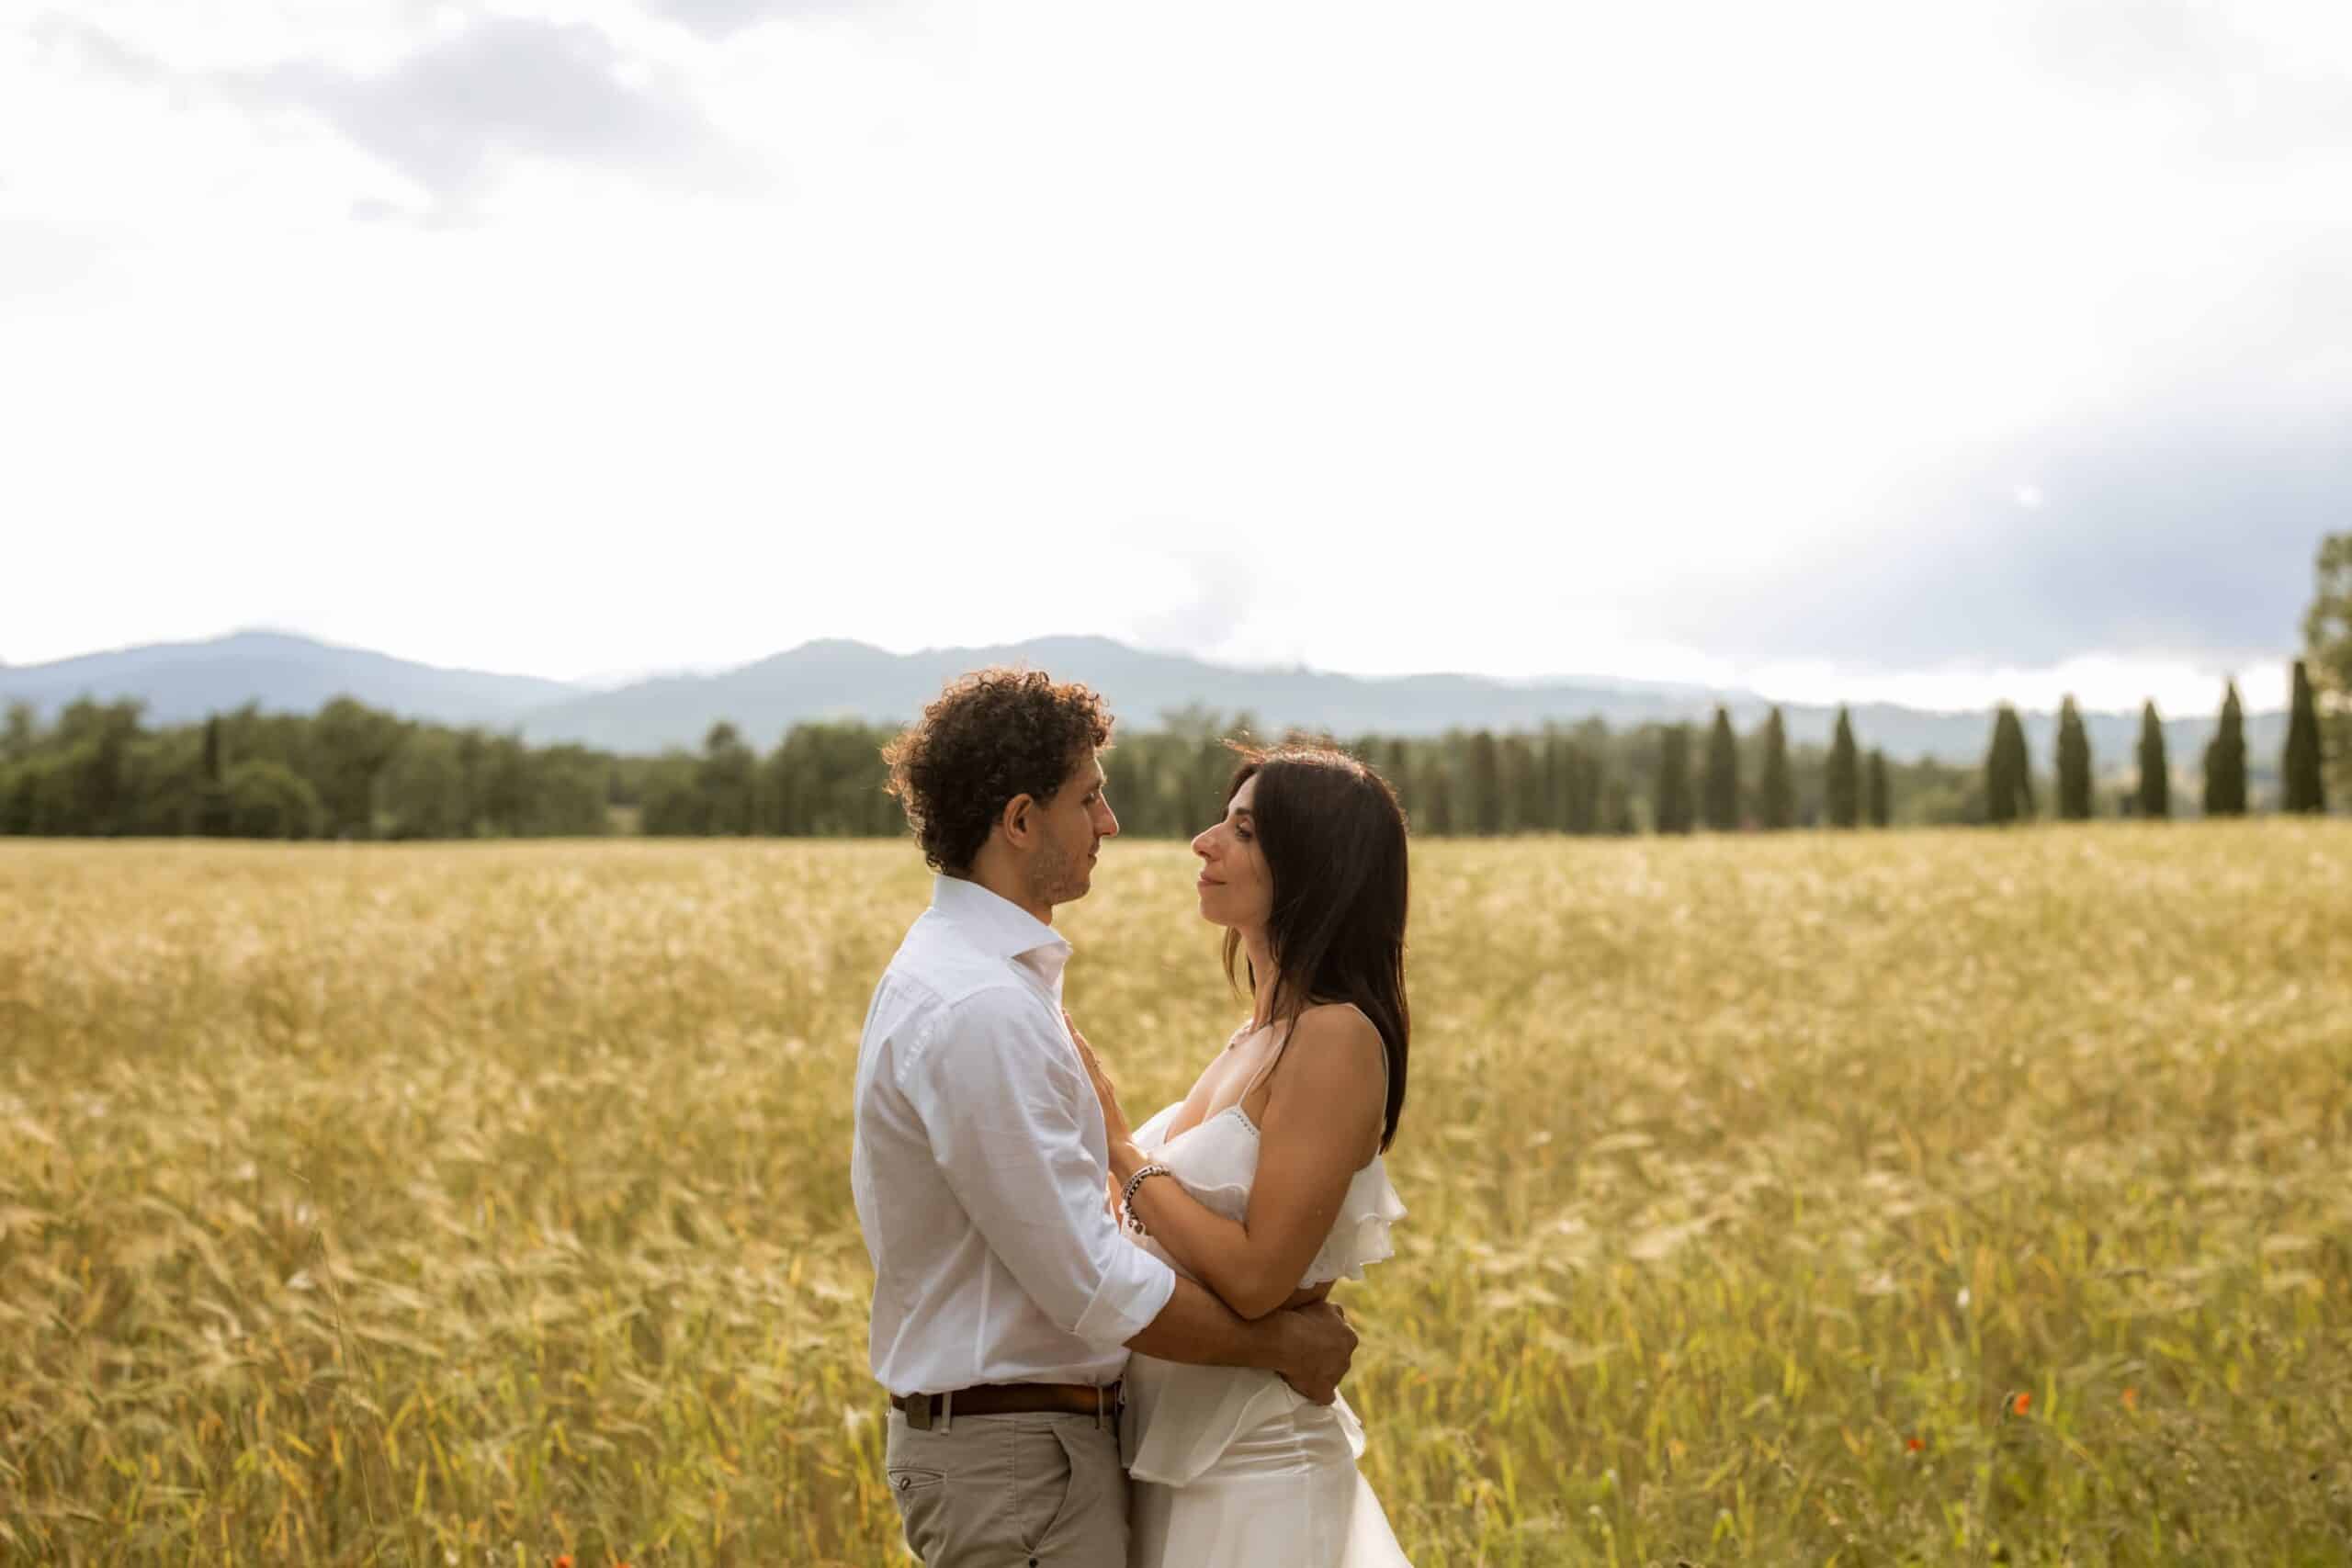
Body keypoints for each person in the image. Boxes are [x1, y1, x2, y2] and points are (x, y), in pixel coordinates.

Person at [853, 670, 1360, 1567]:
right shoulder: (979, 1006)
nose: (1109, 822)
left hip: (1031, 1456)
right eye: (1088, 797)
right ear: (1018, 821)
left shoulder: (990, 982)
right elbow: (1088, 1283)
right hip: (1015, 1466)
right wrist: (1284, 1342)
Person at [1066, 744, 1415, 1566]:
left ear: (1314, 867)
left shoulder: (1337, 1039)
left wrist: (1121, 1147)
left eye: (1244, 830)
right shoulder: (1253, 1038)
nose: (1204, 841)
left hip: (1259, 1481)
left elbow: (1259, 1276)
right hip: (1176, 1468)